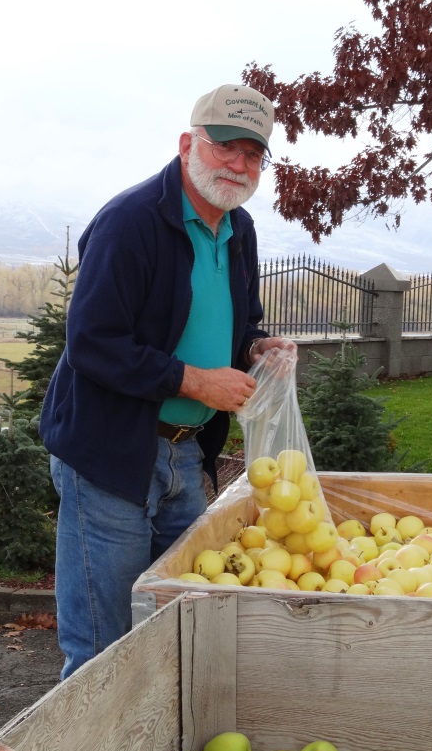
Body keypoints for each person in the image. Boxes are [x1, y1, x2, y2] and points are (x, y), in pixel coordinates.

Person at [39, 83, 297, 678]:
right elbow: (92, 344)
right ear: (188, 144)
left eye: (253, 154)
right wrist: (196, 383)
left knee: (176, 624)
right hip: (110, 456)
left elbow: (233, 325)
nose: (239, 165)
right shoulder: (130, 223)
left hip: (183, 460)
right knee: (102, 646)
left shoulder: (240, 230)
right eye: (225, 147)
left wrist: (259, 347)